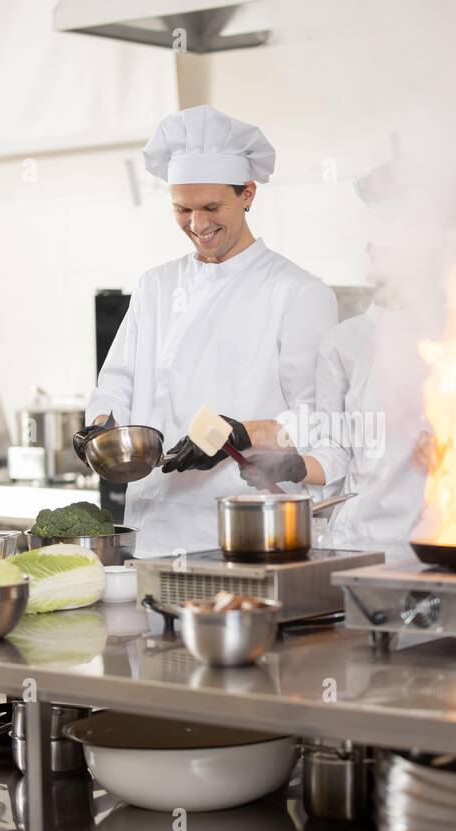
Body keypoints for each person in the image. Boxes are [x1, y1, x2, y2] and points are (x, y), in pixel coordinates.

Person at [76, 106, 337, 557]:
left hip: (243, 531)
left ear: (248, 193)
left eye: (212, 207)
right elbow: (116, 385)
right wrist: (100, 428)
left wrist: (239, 432)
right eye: (183, 209)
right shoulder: (155, 285)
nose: (197, 225)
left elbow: (318, 423)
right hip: (151, 530)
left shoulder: (298, 293)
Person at [237, 161, 456, 561]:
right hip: (363, 543)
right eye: (386, 252)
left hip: (453, 542)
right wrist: (292, 466)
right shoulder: (345, 343)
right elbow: (335, 452)